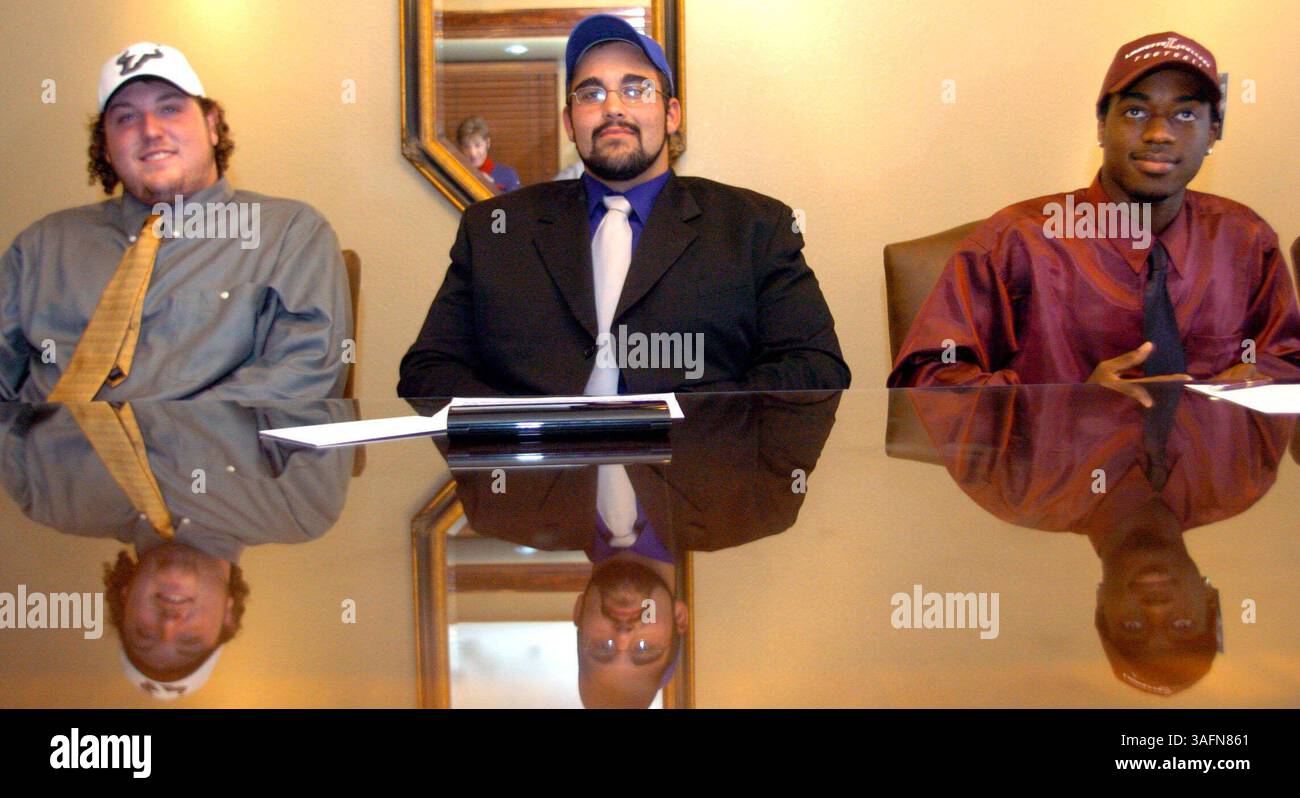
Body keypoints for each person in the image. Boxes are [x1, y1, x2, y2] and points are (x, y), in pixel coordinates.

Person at [399, 14, 849, 397]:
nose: (613, 107)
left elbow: (816, 367)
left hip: (699, 483)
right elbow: (428, 371)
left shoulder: (755, 226)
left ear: (672, 115)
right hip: (537, 485)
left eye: (636, 90)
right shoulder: (494, 230)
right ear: (569, 123)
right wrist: (523, 432)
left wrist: (696, 434)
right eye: (591, 94)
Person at [889, 32, 1300, 388]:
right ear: (1102, 126)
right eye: (1136, 111)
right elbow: (926, 380)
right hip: (1061, 473)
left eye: (1185, 114)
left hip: (1206, 476)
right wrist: (1070, 401)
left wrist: (1257, 375)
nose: (1159, 133)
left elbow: (1287, 358)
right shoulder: (1019, 240)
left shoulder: (1245, 238)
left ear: (1212, 133)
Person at [1, 42, 352, 402]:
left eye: (169, 108)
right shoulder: (40, 246)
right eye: (126, 117)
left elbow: (301, 377)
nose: (150, 130)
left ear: (212, 124)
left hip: (205, 453)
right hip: (40, 453)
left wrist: (157, 440)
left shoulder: (289, 234)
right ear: (105, 146)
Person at [449, 391, 840, 707]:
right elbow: (810, 384)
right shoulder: (761, 507)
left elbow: (437, 384)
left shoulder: (501, 508)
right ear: (681, 620)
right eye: (642, 648)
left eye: (601, 649)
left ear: (577, 614)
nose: (623, 633)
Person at [906, 383, 1293, 694]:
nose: (1156, 609)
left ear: (1101, 607)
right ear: (1209, 598)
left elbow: (938, 383)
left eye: (1134, 628)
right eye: (1182, 625)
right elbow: (1283, 363)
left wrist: (1071, 382)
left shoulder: (1016, 489)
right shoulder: (1245, 474)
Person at [0, 400, 355, 698]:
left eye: (144, 633)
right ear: (228, 616)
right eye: (189, 640)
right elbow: (304, 363)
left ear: (124, 599)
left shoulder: (50, 499)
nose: (169, 624)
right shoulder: (300, 511)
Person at [455, 117, 522, 193]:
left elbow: (515, 204)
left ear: (487, 143)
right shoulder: (456, 175)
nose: (472, 153)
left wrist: (492, 188)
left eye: (478, 145)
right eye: (466, 146)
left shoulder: (508, 175)